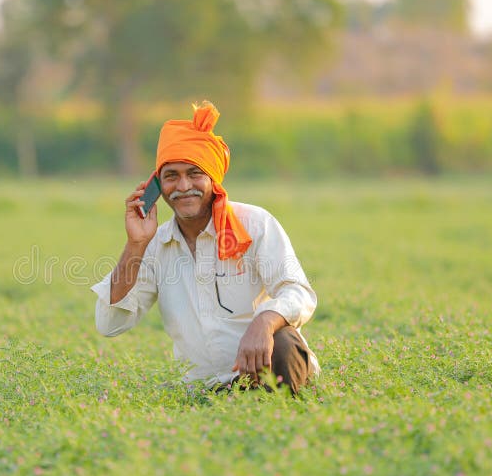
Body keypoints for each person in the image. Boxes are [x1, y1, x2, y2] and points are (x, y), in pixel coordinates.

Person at [91, 101, 320, 395]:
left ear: (213, 177)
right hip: (205, 391)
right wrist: (135, 244)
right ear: (157, 186)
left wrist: (264, 321)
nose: (183, 185)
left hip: (270, 374)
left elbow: (298, 293)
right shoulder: (154, 245)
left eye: (194, 173)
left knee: (284, 341)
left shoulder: (255, 223)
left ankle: (280, 418)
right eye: (171, 176)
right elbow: (109, 324)